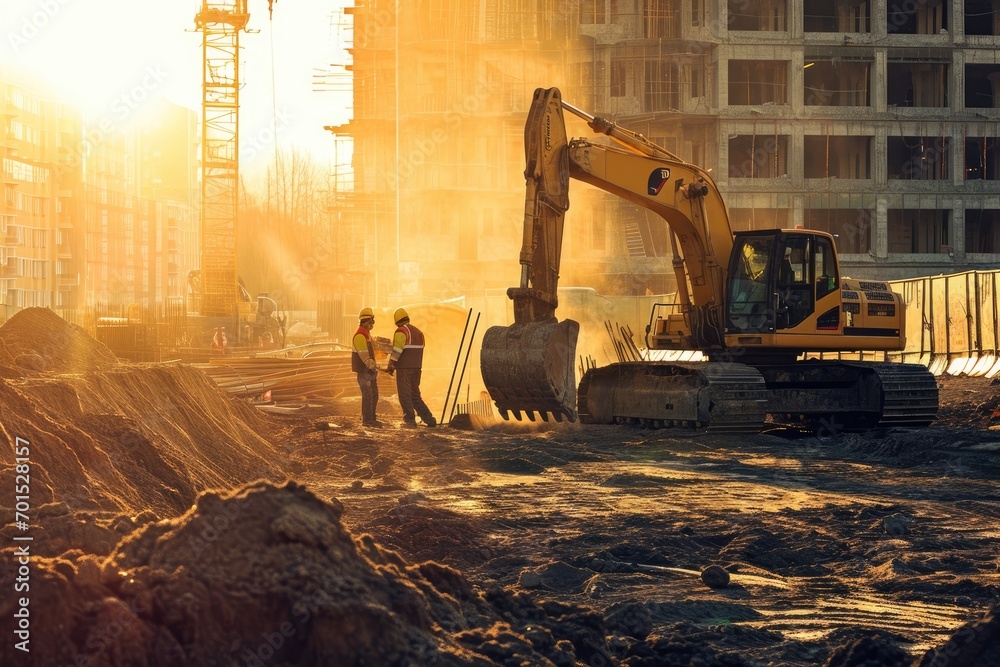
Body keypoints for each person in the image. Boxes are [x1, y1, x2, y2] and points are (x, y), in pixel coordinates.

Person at [386, 307, 437, 428]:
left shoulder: (401, 331)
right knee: (415, 395)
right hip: (417, 369)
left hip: (404, 369)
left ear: (397, 321)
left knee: (404, 395)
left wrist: (391, 364)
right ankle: (429, 419)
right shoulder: (419, 332)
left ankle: (409, 420)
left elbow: (397, 350)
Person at [352, 307, 382, 427]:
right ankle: (367, 420)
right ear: (367, 321)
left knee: (374, 394)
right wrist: (377, 366)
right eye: (371, 322)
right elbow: (365, 357)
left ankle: (371, 418)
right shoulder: (360, 335)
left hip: (369, 371)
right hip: (364, 372)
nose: (372, 325)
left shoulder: (367, 335)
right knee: (368, 395)